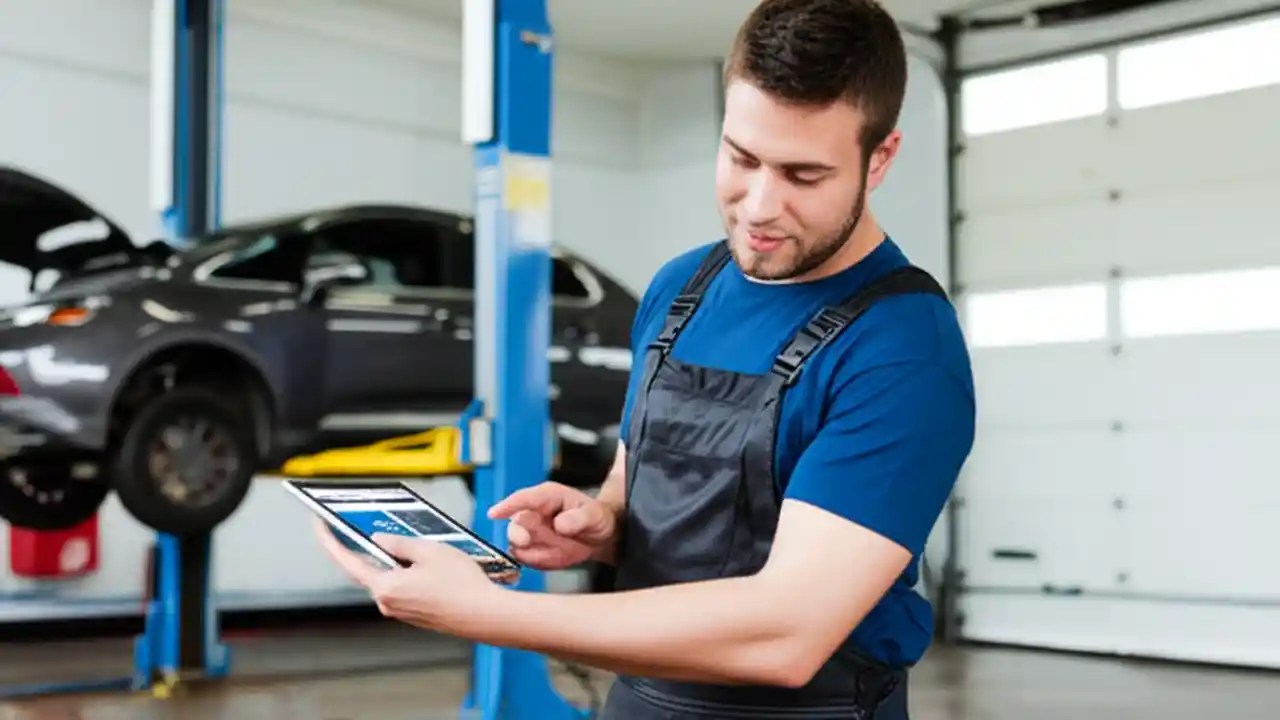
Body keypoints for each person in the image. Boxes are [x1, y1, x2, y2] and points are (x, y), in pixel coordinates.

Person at [313, 0, 975, 717]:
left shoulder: (903, 349)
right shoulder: (680, 289)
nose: (758, 205)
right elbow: (634, 487)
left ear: (879, 159)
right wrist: (601, 525)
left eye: (802, 175)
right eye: (741, 157)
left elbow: (786, 635)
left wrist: (485, 613)